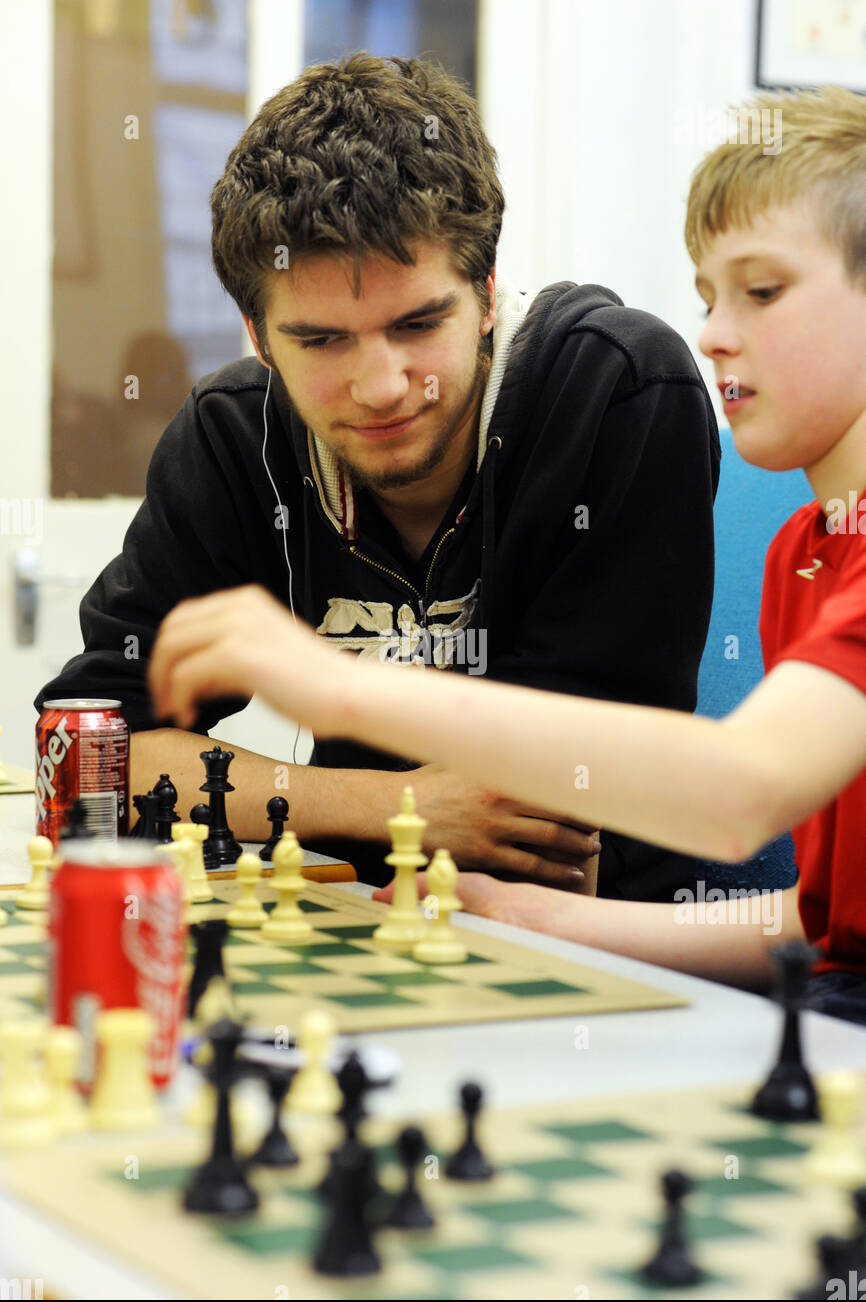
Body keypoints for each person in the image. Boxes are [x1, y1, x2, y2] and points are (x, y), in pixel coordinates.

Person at [148, 84, 866, 1023]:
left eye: (761, 291)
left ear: (487, 298)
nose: (713, 334)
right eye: (708, 295)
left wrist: (338, 687)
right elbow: (822, 932)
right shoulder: (806, 554)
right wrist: (523, 910)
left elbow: (737, 796)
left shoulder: (615, 392)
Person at [37, 51, 719, 899]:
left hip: (604, 953)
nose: (383, 386)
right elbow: (93, 753)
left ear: (486, 289)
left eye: (419, 321)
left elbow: (552, 812)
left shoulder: (616, 389)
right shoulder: (230, 436)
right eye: (321, 341)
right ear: (258, 335)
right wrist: (396, 803)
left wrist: (331, 795)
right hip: (352, 924)